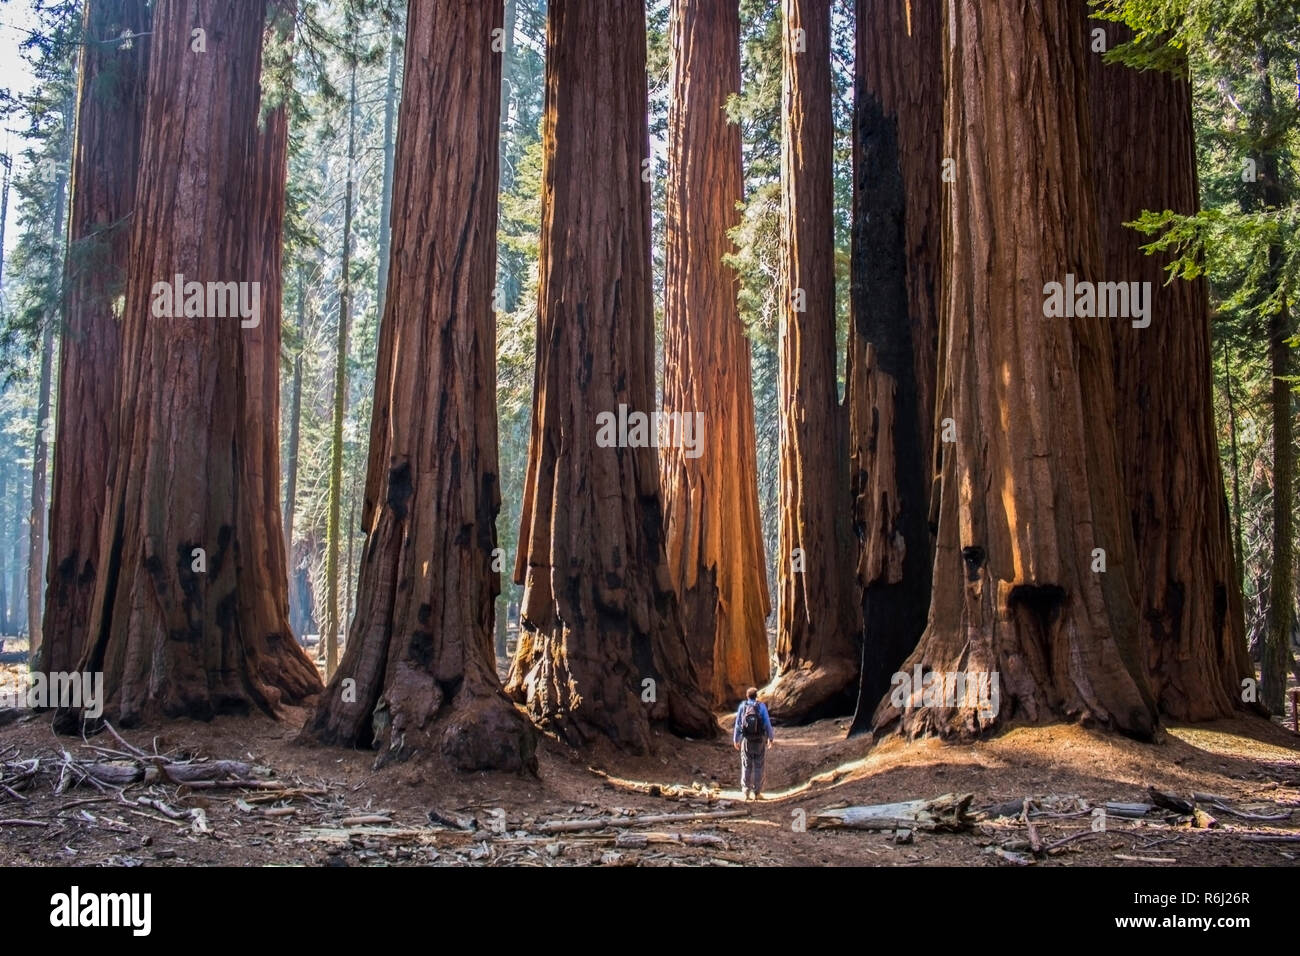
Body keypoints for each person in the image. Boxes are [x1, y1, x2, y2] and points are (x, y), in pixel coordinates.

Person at [733, 687, 775, 800]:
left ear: (747, 696)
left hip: (746, 740)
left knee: (746, 765)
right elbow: (767, 724)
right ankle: (757, 792)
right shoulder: (761, 706)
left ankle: (745, 791)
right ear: (756, 696)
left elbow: (738, 724)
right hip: (760, 740)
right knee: (759, 766)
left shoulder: (743, 706)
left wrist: (736, 739)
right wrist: (770, 738)